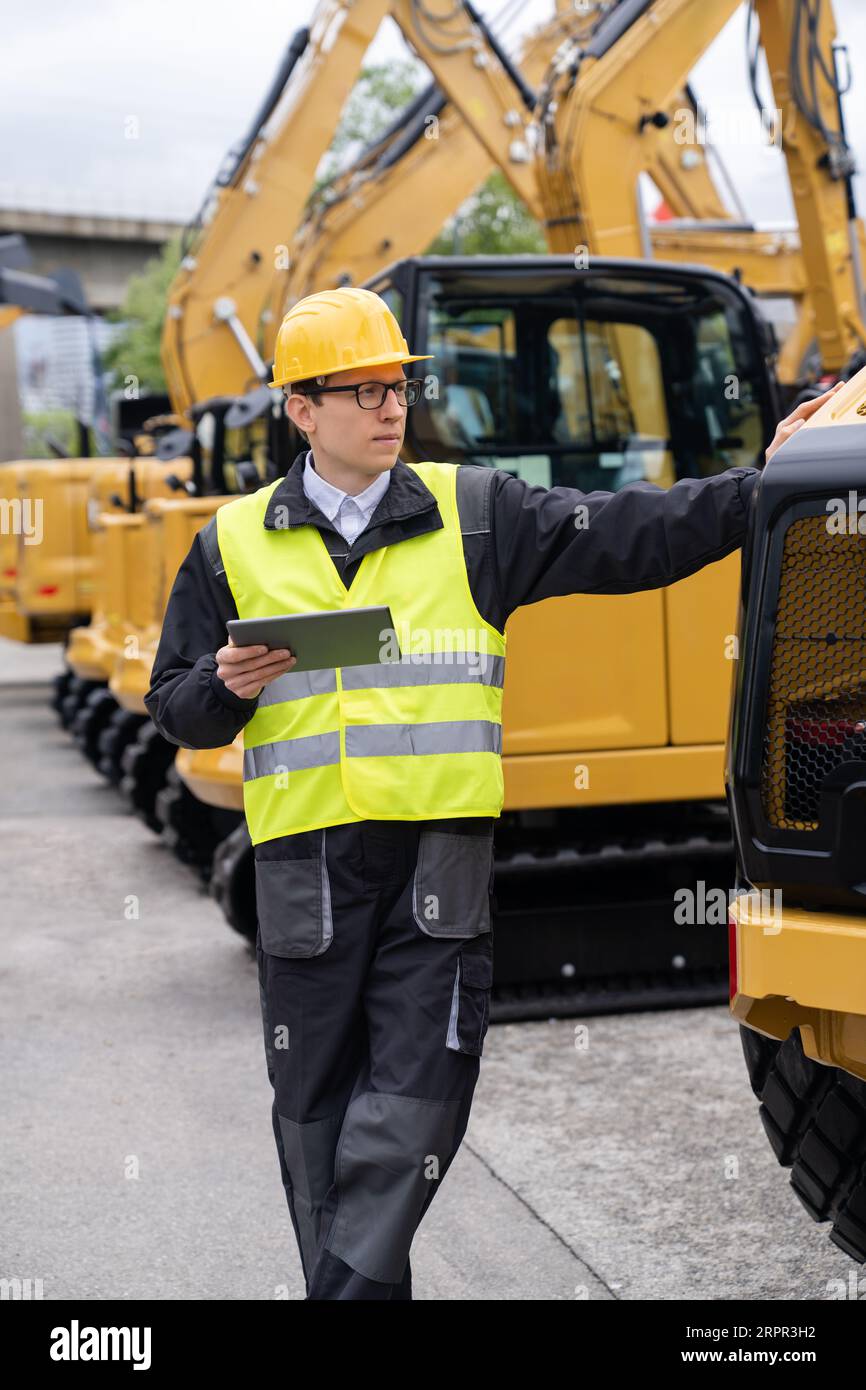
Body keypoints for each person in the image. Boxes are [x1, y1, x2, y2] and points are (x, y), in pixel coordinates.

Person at [144, 285, 841, 1300]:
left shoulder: (473, 513)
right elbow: (179, 707)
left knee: (421, 1100)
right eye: (363, 390)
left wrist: (761, 486)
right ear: (301, 409)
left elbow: (629, 535)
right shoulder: (232, 543)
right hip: (306, 881)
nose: (391, 407)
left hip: (436, 867)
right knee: (314, 1118)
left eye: (399, 387)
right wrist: (222, 685)